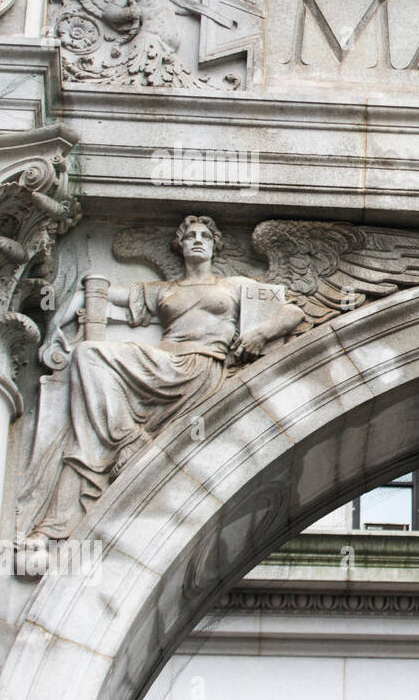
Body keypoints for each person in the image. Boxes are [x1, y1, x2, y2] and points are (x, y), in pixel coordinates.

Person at [21, 215, 304, 545]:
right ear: (179, 246)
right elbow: (97, 292)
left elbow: (292, 311)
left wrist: (261, 334)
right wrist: (56, 327)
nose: (197, 240)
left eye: (205, 236)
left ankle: (123, 440)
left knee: (91, 364)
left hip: (200, 368)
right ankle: (126, 438)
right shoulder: (163, 290)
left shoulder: (235, 285)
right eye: (190, 236)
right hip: (160, 361)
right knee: (87, 354)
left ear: (215, 246)